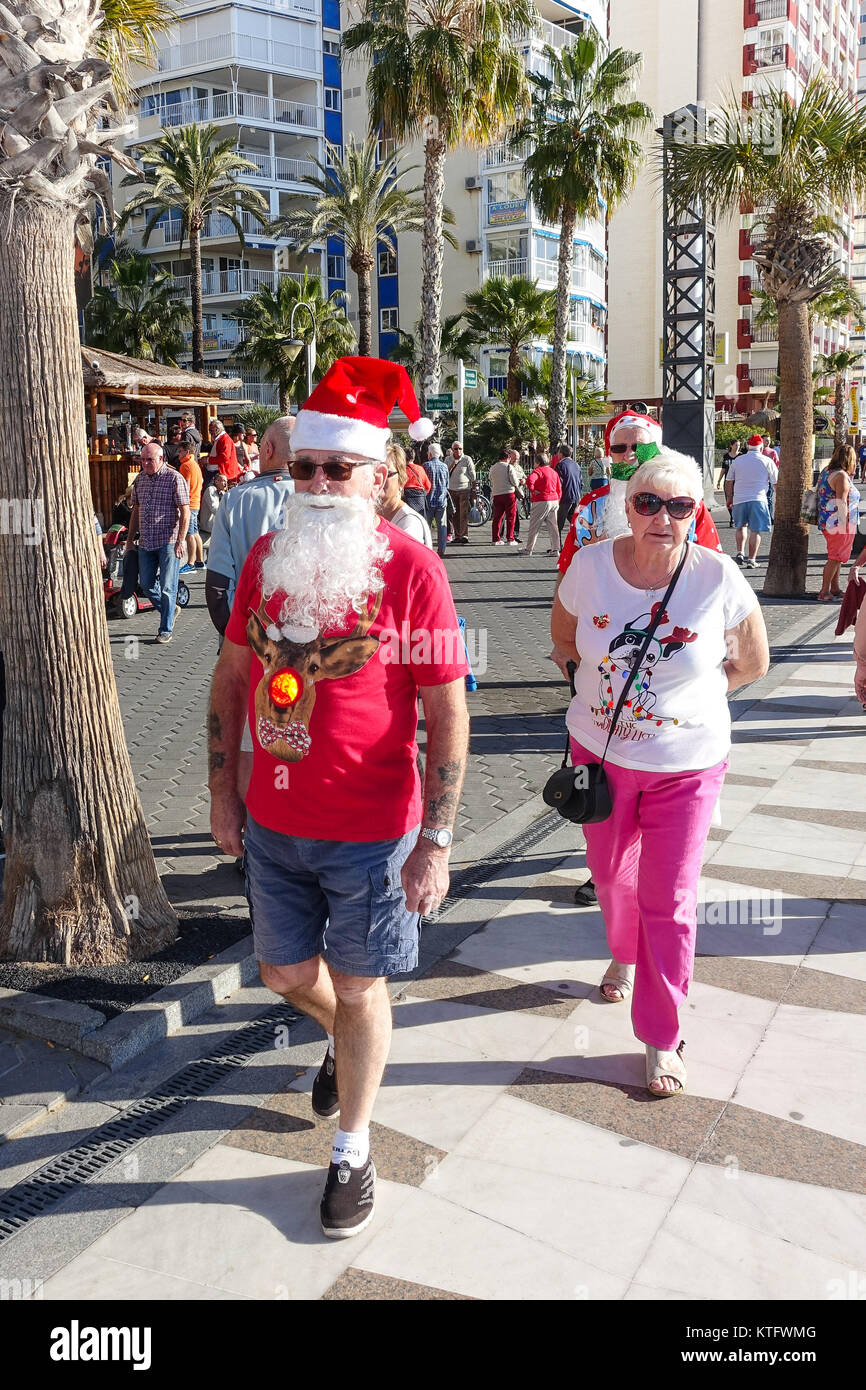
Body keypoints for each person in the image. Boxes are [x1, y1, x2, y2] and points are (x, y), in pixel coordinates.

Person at [208, 355, 469, 1238]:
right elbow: (230, 679)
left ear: (375, 476)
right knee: (285, 974)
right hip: (275, 824)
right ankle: (343, 1044)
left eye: (338, 469)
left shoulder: (412, 570)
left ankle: (353, 1148)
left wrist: (436, 836)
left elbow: (445, 706)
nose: (318, 483)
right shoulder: (267, 563)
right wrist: (220, 791)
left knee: (360, 990)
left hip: (372, 831)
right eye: (306, 467)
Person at [551, 443, 770, 1096]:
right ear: (628, 505)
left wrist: (694, 702)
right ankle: (623, 950)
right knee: (614, 884)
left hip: (687, 765)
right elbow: (564, 639)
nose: (662, 517)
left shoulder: (716, 576)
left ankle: (661, 1037)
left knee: (668, 901)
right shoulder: (591, 567)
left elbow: (753, 660)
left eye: (679, 506)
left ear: (695, 512)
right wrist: (585, 685)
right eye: (648, 503)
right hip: (601, 756)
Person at [124, 440, 190, 644]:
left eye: (149, 460)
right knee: (145, 583)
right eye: (142, 460)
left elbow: (185, 511)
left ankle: (165, 629)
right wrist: (129, 540)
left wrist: (181, 540)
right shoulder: (140, 480)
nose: (145, 463)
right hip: (146, 541)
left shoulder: (174, 478)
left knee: (167, 587)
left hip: (168, 541)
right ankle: (168, 610)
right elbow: (136, 510)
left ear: (161, 459)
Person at [724, 434, 777, 568]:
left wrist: (729, 497)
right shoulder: (767, 461)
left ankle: (740, 552)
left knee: (741, 527)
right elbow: (776, 483)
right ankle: (752, 560)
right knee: (755, 530)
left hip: (739, 499)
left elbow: (728, 481)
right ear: (761, 447)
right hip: (759, 499)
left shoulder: (738, 461)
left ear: (748, 446)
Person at [817, 442, 861, 601]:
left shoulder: (827, 472)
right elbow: (841, 501)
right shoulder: (841, 476)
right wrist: (843, 526)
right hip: (839, 523)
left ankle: (834, 588)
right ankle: (824, 591)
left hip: (829, 521)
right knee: (835, 557)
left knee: (838, 556)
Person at [378, 444, 433, 546]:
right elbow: (428, 486)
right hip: (418, 500)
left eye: (387, 474)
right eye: (374, 473)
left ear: (401, 479)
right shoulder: (420, 469)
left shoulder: (409, 524)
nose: (379, 479)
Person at [523, 450, 562, 557]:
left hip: (542, 500)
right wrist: (557, 499)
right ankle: (555, 549)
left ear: (538, 462)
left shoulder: (538, 471)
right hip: (554, 500)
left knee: (534, 525)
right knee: (553, 526)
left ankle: (529, 549)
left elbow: (530, 480)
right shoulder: (553, 472)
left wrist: (533, 490)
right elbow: (559, 488)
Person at [176, 437, 205, 572]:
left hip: (190, 503)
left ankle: (191, 563)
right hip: (196, 501)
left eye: (180, 451)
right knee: (195, 532)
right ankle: (199, 561)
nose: (178, 454)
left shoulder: (186, 465)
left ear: (187, 452)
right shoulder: (195, 464)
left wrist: (181, 503)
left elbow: (185, 485)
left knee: (189, 534)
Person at [423, 441, 451, 559]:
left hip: (428, 501)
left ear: (429, 454)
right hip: (441, 501)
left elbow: (424, 483)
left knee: (427, 526)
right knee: (442, 526)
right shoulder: (444, 466)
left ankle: (428, 548)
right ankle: (441, 549)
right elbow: (447, 485)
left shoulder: (426, 466)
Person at [489, 446, 520, 545]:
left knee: (497, 517)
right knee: (511, 517)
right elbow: (514, 482)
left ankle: (496, 538)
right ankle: (510, 538)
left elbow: (491, 479)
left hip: (497, 494)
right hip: (508, 494)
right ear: (508, 458)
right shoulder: (509, 467)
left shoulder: (493, 467)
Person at [448, 441, 475, 544]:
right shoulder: (448, 459)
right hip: (452, 489)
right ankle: (457, 535)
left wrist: (474, 489)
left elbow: (472, 474)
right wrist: (451, 464)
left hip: (464, 489)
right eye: (456, 449)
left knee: (463, 514)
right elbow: (445, 472)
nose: (458, 451)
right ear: (452, 450)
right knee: (454, 513)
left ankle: (464, 535)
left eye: (460, 448)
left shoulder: (467, 459)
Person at [556, 446, 583, 541]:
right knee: (574, 521)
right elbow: (581, 482)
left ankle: (557, 545)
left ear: (561, 453)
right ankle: (581, 540)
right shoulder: (576, 465)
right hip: (575, 496)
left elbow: (559, 483)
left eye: (558, 452)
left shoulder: (560, 465)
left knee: (558, 523)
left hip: (565, 497)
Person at [206, 418, 241, 486]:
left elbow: (224, 457)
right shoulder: (220, 439)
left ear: (217, 429)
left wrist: (207, 460)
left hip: (222, 473)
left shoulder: (224, 439)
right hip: (220, 472)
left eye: (211, 430)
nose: (210, 433)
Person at [199, 472, 227, 547]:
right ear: (216, 481)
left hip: (216, 531)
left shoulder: (223, 493)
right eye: (223, 481)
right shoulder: (211, 490)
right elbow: (215, 508)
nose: (225, 483)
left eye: (226, 481)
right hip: (207, 530)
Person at [402, 447, 431, 515]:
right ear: (414, 457)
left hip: (406, 498)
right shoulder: (420, 468)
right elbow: (428, 486)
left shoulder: (402, 470)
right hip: (419, 498)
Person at [718, 438, 740, 524]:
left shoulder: (741, 456)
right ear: (731, 446)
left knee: (737, 500)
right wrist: (719, 480)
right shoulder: (726, 456)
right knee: (728, 499)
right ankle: (732, 516)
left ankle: (735, 517)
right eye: (736, 445)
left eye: (739, 445)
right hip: (728, 481)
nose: (738, 447)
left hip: (738, 481)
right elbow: (723, 469)